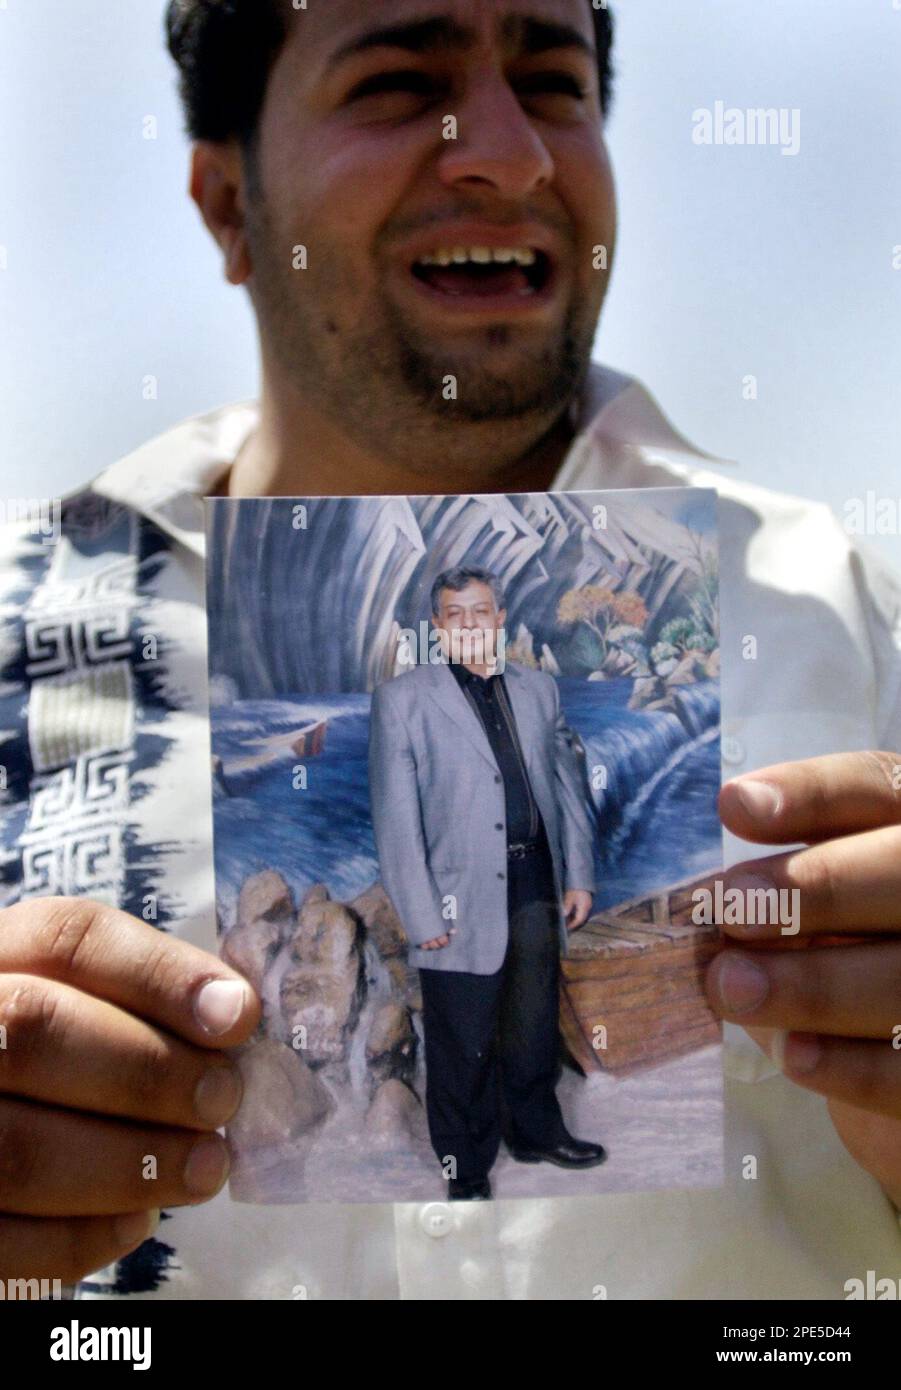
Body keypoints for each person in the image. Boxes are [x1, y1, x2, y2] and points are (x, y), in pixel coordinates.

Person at [0, 0, 899, 1299]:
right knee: (461, 1034)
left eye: (552, 79)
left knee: (528, 1044)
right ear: (226, 203)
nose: (507, 151)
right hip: (443, 913)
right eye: (398, 77)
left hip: (542, 904)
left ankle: (531, 1122)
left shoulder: (848, 619)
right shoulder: (29, 632)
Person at [368, 565, 604, 1200]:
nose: (470, 624)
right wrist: (421, 918)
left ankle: (534, 1131)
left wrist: (578, 875)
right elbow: (395, 822)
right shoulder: (402, 702)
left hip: (534, 880)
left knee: (532, 1024)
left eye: (482, 612)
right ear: (438, 628)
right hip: (454, 898)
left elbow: (567, 788)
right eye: (456, 614)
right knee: (461, 1042)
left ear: (500, 620)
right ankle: (464, 1170)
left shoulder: (538, 691)